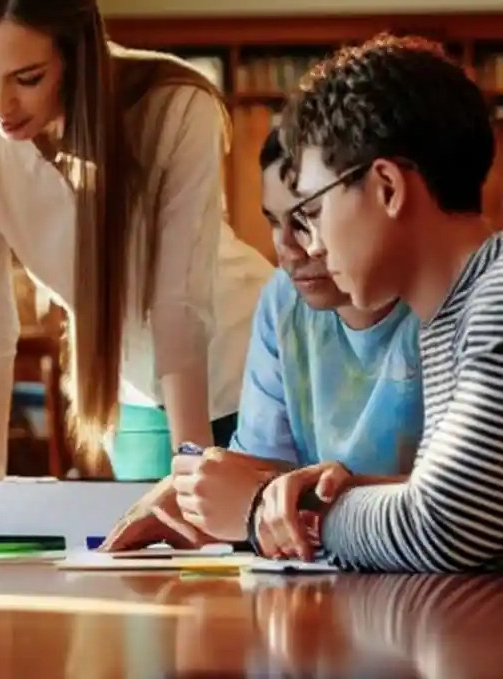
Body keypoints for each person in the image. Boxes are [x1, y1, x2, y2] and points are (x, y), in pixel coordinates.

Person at [0, 0, 272, 481]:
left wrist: (191, 471)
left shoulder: (174, 107)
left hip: (240, 359)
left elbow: (178, 307)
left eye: (28, 78)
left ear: (75, 54)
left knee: (229, 549)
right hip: (130, 385)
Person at [101, 129, 425, 549]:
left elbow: (461, 502)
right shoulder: (282, 300)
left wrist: (269, 500)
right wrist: (200, 492)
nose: (288, 248)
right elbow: (257, 471)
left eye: (307, 217)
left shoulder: (447, 302)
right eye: (274, 221)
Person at [252, 34, 503, 573]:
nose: (310, 245)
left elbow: (446, 527)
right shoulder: (452, 317)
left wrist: (285, 511)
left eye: (313, 211)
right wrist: (346, 490)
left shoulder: (496, 300)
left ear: (387, 185)